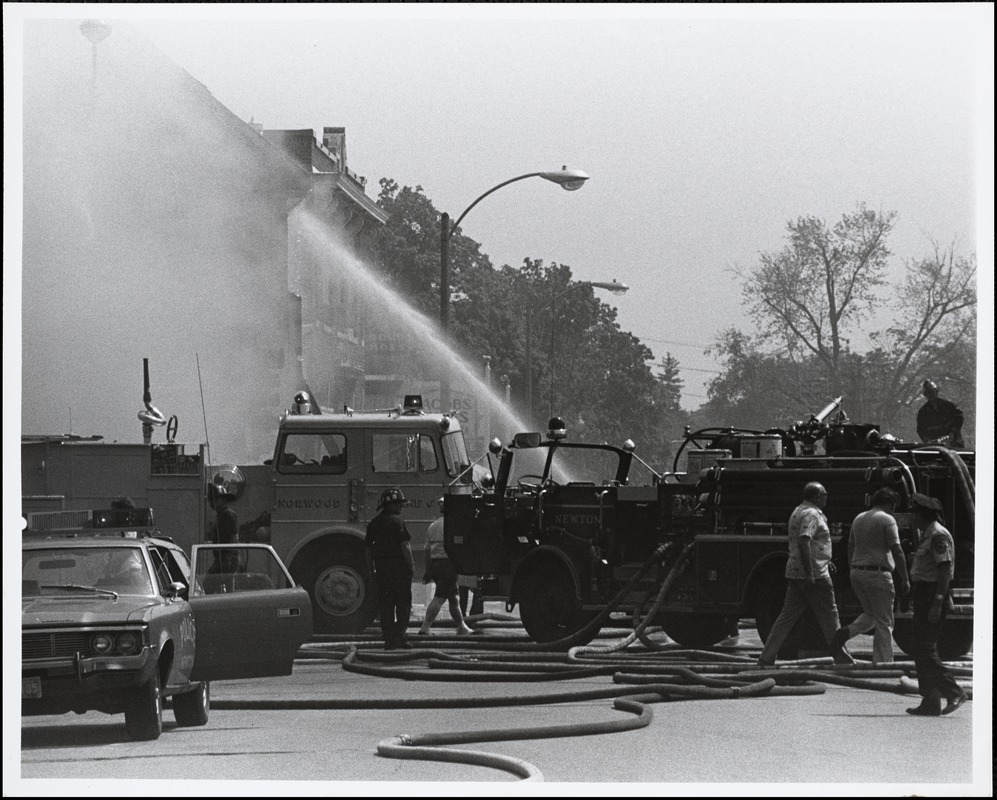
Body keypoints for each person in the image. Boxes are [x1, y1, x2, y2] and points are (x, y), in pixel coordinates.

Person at [756, 482, 855, 667]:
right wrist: (811, 572)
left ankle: (766, 657)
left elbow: (811, 543)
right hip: (815, 575)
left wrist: (826, 559)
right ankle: (841, 656)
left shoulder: (798, 510)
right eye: (825, 494)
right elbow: (804, 541)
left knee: (786, 618)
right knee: (830, 615)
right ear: (817, 496)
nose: (827, 497)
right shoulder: (812, 514)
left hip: (796, 572)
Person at [904, 493, 968, 716]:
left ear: (921, 514)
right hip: (924, 593)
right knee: (920, 647)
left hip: (933, 595)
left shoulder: (938, 534)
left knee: (925, 648)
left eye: (913, 512)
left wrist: (938, 601)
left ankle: (954, 691)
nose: (911, 516)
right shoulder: (928, 533)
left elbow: (944, 569)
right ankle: (931, 700)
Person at [832, 488, 910, 664]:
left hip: (857, 571)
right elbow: (897, 549)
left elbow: (850, 546)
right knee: (885, 621)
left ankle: (846, 632)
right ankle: (884, 664)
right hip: (878, 573)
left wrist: (853, 568)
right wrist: (905, 577)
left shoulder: (859, 518)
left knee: (872, 615)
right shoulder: (887, 519)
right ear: (890, 503)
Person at [365, 487, 415, 650]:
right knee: (403, 603)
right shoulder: (397, 522)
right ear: (391, 505)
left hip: (381, 569)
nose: (401, 507)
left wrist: (370, 569)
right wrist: (411, 566)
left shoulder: (373, 523)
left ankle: (388, 640)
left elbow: (367, 550)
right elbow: (405, 546)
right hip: (398, 568)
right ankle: (400, 637)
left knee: (386, 605)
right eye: (398, 504)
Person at [418, 497, 474, 636]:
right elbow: (462, 549)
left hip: (436, 565)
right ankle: (424, 628)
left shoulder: (433, 526)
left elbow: (427, 551)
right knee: (439, 597)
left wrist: (428, 570)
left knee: (454, 598)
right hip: (448, 566)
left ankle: (462, 627)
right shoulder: (454, 526)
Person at [916, 380, 965, 447]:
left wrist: (953, 432)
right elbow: (921, 430)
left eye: (932, 392)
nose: (931, 395)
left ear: (936, 392)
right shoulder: (923, 412)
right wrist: (928, 440)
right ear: (925, 395)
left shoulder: (949, 406)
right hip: (936, 445)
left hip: (954, 443)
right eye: (928, 393)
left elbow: (959, 417)